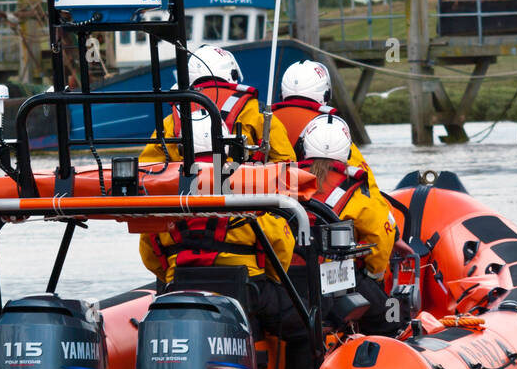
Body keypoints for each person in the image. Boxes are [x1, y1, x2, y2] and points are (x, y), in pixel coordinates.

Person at [139, 110, 315, 369]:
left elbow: (150, 253)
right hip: (247, 289)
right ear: (226, 142)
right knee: (306, 327)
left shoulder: (164, 187)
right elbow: (279, 246)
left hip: (180, 290)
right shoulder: (246, 181)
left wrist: (173, 275)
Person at [295, 114, 398, 335]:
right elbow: (381, 236)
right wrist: (374, 276)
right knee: (394, 311)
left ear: (304, 147)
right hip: (335, 284)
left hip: (288, 281)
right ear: (348, 153)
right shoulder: (355, 190)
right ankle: (394, 347)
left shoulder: (282, 178)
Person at [139, 44, 295, 164]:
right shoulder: (253, 108)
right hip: (242, 199)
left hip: (187, 197)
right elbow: (285, 157)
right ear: (230, 73)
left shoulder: (174, 117)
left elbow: (149, 165)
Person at [272, 59, 378, 193]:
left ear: (282, 92)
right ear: (325, 93)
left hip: (266, 199)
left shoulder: (264, 119)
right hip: (310, 201)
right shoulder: (326, 127)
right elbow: (364, 177)